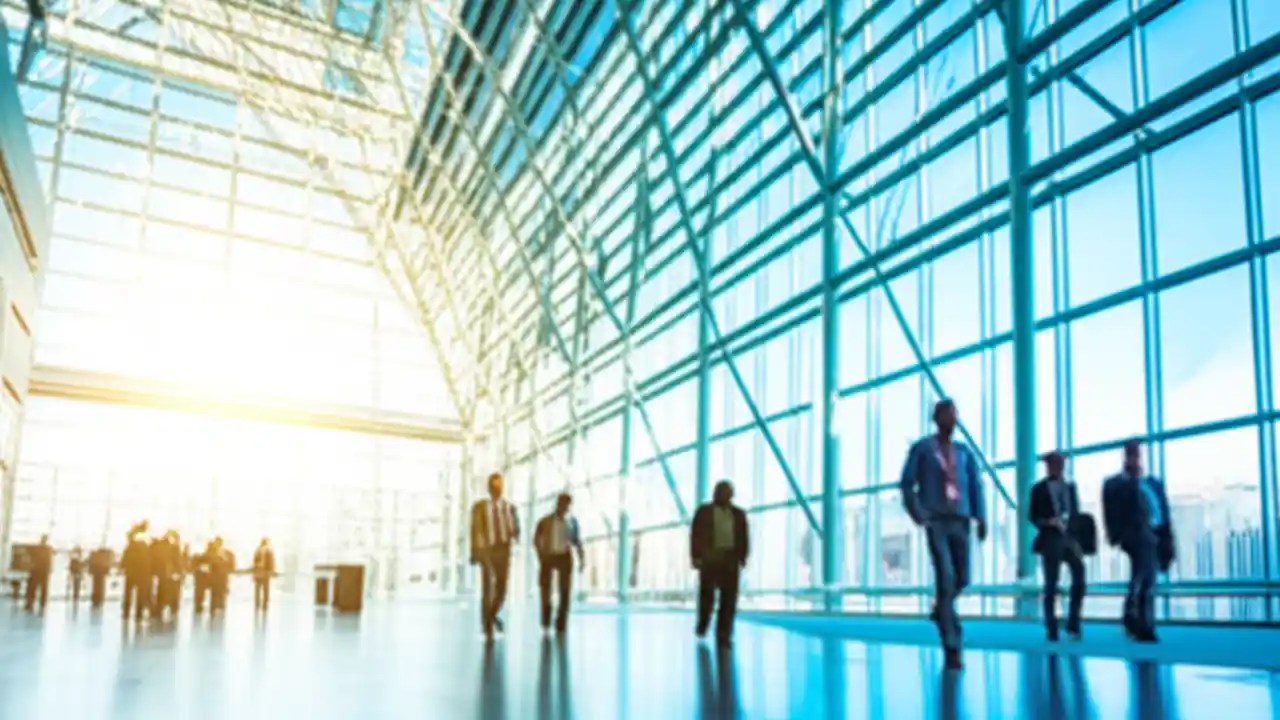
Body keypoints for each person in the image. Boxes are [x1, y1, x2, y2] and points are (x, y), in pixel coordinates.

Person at [899, 399, 987, 671]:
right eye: (947, 414)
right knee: (946, 577)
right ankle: (952, 645)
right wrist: (918, 513)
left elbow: (975, 484)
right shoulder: (923, 448)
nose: (953, 419)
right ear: (936, 418)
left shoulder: (963, 452)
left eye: (955, 414)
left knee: (962, 578)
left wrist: (981, 517)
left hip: (961, 521)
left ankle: (941, 609)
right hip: (936, 520)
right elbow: (906, 483)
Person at [1102, 439, 1174, 643]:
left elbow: (1163, 512)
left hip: (1156, 533)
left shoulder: (1153, 484)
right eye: (1130, 453)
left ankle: (1130, 616)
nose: (1134, 457)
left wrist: (1167, 540)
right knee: (1147, 576)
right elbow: (1113, 510)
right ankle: (1145, 625)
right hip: (1136, 535)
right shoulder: (1118, 483)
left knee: (1140, 576)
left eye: (1137, 453)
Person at [1029, 451, 1086, 641]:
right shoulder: (1038, 489)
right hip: (1051, 538)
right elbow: (1032, 516)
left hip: (1069, 538)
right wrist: (1048, 522)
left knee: (1079, 575)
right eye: (1054, 463)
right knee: (1051, 584)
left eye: (1060, 463)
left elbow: (1075, 513)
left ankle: (1073, 622)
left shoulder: (1071, 487)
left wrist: (1076, 537)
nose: (1057, 467)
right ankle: (1051, 626)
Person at [689, 480, 749, 648]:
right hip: (710, 558)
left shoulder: (739, 514)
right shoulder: (703, 512)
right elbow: (695, 534)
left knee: (729, 599)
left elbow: (744, 537)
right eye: (720, 491)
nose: (723, 494)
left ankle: (724, 634)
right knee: (707, 596)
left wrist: (743, 556)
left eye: (727, 492)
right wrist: (695, 556)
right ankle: (703, 625)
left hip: (730, 560)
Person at [470, 472, 520, 641]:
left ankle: (491, 616)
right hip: (488, 550)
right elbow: (475, 530)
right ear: (489, 488)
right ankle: (487, 626)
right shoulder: (480, 507)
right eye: (494, 486)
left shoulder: (510, 507)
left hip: (504, 550)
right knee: (487, 588)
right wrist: (474, 552)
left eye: (499, 486)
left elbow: (515, 528)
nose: (497, 489)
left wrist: (516, 534)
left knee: (502, 589)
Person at [533, 494, 584, 634]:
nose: (565, 508)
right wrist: (540, 554)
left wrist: (581, 558)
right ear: (558, 504)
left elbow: (577, 541)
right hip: (548, 556)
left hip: (564, 556)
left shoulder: (572, 522)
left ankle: (561, 623)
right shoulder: (545, 521)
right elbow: (536, 538)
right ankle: (546, 620)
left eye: (568, 505)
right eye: (563, 504)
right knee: (545, 589)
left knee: (565, 591)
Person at [121, 523, 153, 621]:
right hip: (142, 573)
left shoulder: (131, 546)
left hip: (131, 572)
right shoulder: (147, 548)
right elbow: (150, 561)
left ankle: (126, 612)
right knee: (140, 594)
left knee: (128, 593)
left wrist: (124, 568)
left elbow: (125, 558)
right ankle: (138, 614)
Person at [24, 534, 53, 612]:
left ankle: (31, 604)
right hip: (43, 571)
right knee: (42, 588)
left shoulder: (38, 548)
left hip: (36, 571)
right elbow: (49, 561)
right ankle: (41, 604)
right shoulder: (48, 549)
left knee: (33, 588)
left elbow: (29, 554)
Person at [194, 538, 220, 614]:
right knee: (214, 594)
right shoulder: (217, 557)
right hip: (213, 578)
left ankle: (198, 607)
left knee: (200, 593)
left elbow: (196, 565)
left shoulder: (202, 556)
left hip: (202, 578)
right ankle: (213, 608)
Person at [253, 538, 276, 612]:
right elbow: (271, 562)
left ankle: (259, 604)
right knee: (264, 589)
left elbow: (254, 562)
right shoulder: (267, 551)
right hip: (264, 573)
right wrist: (272, 571)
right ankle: (263, 605)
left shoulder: (258, 551)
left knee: (260, 589)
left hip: (261, 573)